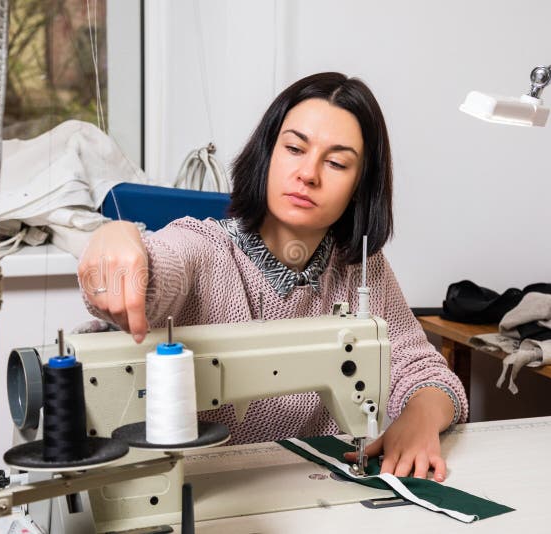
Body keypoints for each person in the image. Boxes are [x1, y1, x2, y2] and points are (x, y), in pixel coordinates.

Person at [78, 72, 467, 482]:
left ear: (360, 185)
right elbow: (155, 274)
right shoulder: (202, 248)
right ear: (268, 154)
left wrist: (420, 416)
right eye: (295, 148)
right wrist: (119, 242)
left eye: (336, 162)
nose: (309, 174)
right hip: (201, 490)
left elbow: (424, 371)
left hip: (304, 491)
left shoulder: (360, 269)